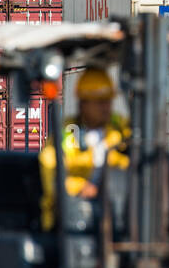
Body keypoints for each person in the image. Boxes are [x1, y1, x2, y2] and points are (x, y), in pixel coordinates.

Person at [38, 67, 131, 231]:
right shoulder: (67, 134)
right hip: (71, 220)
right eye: (100, 101)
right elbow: (52, 178)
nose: (106, 107)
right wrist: (81, 186)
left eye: (108, 101)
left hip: (115, 215)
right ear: (83, 103)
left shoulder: (121, 130)